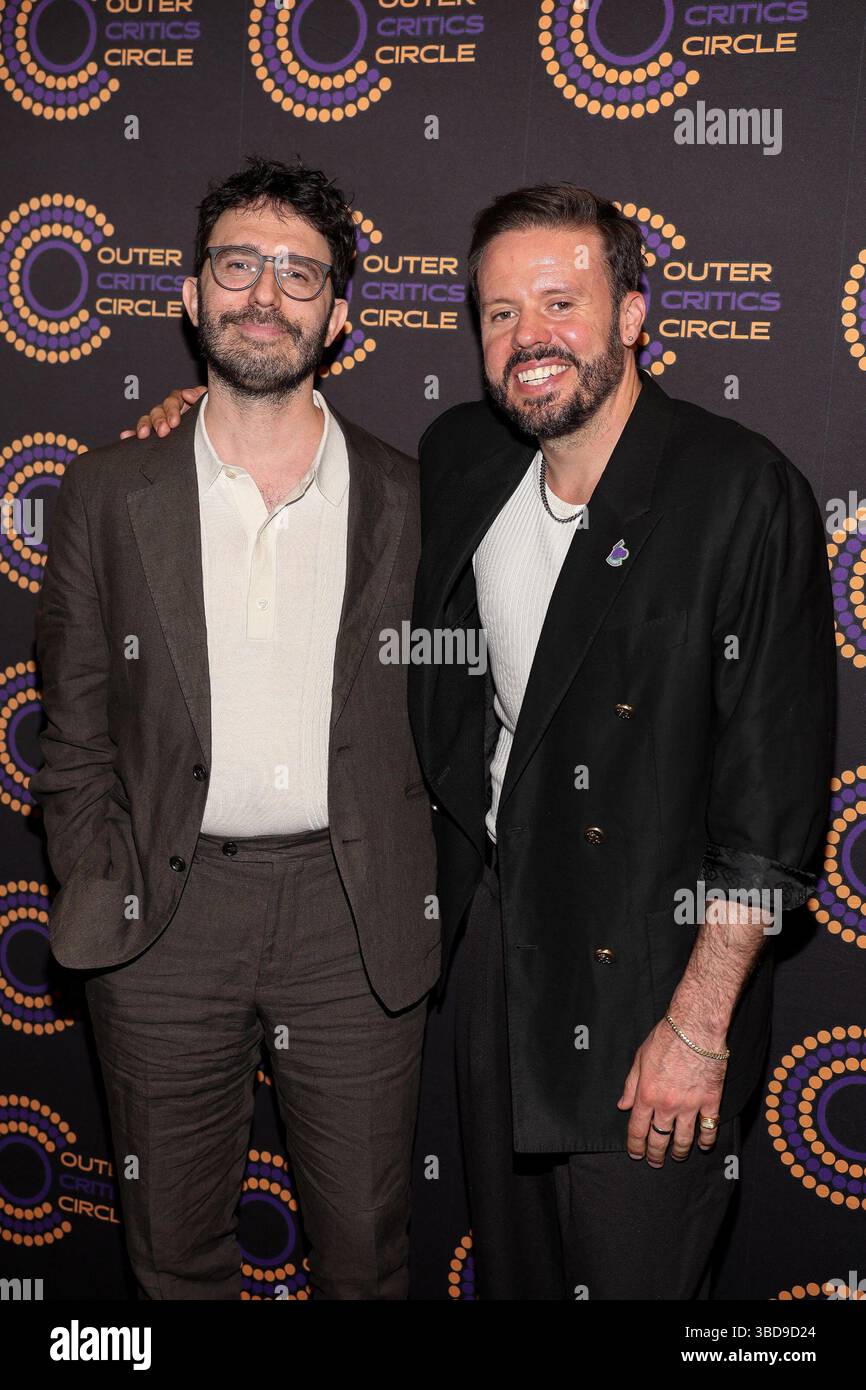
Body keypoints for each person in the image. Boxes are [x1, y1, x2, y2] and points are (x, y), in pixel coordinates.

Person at [128, 182, 836, 1302]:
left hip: (651, 975)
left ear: (635, 312)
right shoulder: (464, 458)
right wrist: (186, 427)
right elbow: (288, 453)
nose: (528, 337)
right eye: (499, 314)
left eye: (560, 301)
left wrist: (696, 1031)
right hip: (501, 952)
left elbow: (770, 816)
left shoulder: (739, 493)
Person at [31, 156, 439, 1301]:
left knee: (366, 1253)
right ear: (190, 293)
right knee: (172, 1252)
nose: (266, 294)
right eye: (238, 265)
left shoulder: (414, 498)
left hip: (351, 916)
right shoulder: (110, 493)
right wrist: (94, 872)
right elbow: (71, 725)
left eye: (299, 274)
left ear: (340, 315)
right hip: (163, 913)